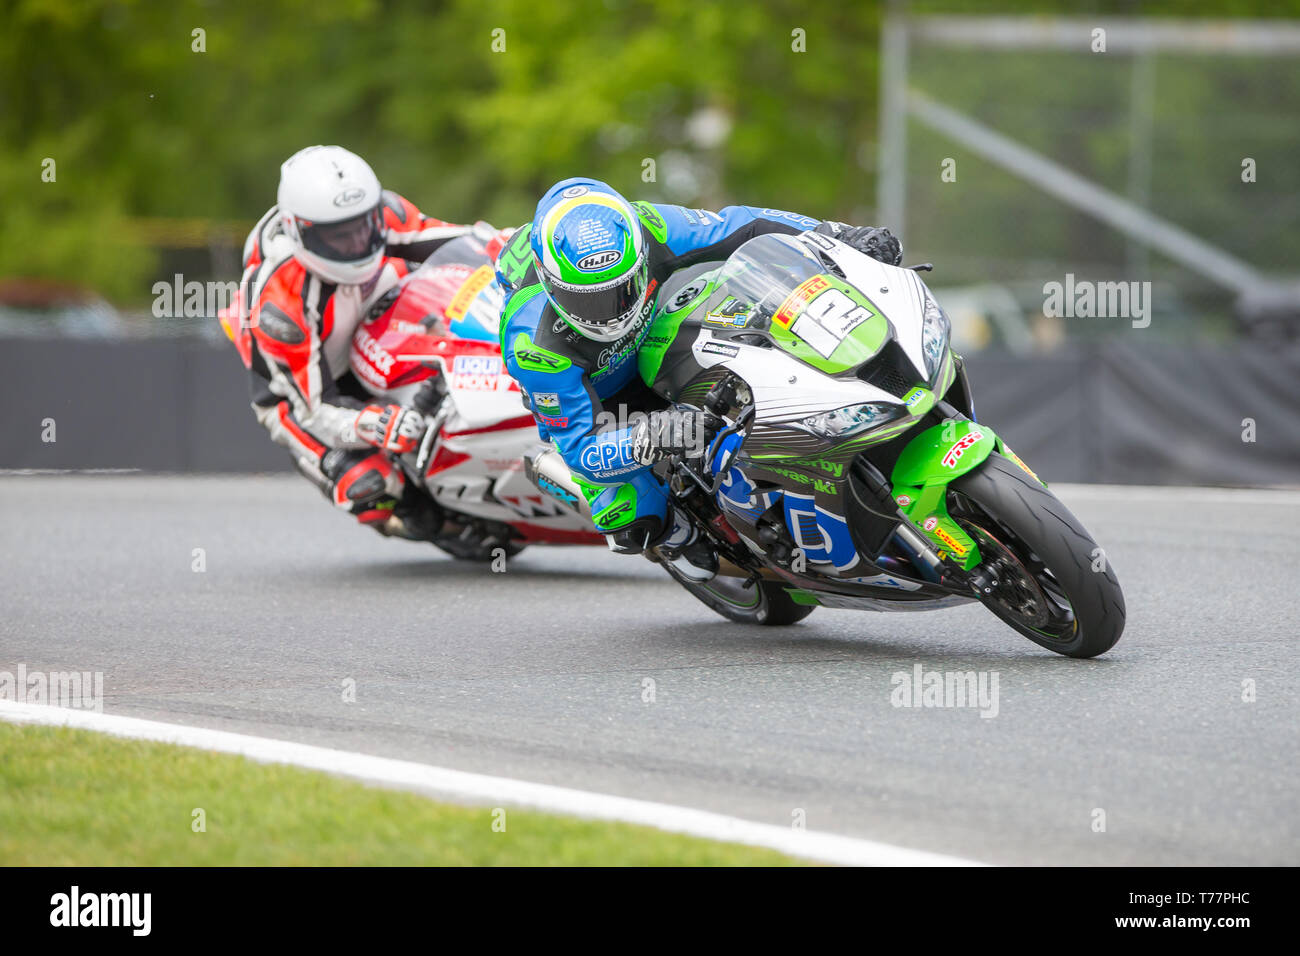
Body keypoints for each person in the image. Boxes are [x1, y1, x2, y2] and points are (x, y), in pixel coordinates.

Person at [497, 177, 901, 578]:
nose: (610, 313)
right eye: (587, 299)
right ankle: (679, 536)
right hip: (604, 403)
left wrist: (838, 234)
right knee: (634, 518)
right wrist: (649, 436)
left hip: (660, 331)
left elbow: (744, 224)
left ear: (638, 257)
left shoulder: (650, 226)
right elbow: (582, 454)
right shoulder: (534, 349)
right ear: (551, 284)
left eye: (621, 291)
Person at [226, 145, 505, 539]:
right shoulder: (279, 303)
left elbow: (461, 241)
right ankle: (417, 518)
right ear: (299, 231)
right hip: (305, 392)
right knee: (369, 484)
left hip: (371, 321)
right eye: (337, 237)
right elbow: (313, 407)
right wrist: (372, 423)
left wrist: (515, 247)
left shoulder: (385, 213)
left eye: (363, 226)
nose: (358, 243)